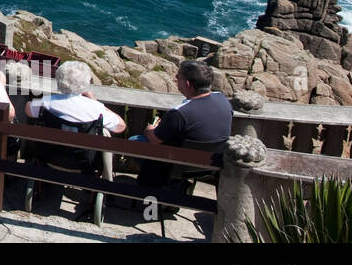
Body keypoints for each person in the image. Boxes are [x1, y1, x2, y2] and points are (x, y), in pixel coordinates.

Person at [131, 59, 233, 190]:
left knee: (134, 141)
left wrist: (149, 129)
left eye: (178, 76)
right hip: (211, 166)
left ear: (188, 84)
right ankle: (175, 186)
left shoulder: (180, 113)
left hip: (177, 166)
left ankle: (166, 186)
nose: (176, 77)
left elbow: (154, 140)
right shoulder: (222, 99)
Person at [26, 61, 126, 134]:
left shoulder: (47, 102)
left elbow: (28, 109)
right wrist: (95, 101)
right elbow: (121, 126)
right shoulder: (96, 108)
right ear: (86, 83)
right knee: (105, 133)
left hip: (50, 156)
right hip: (83, 160)